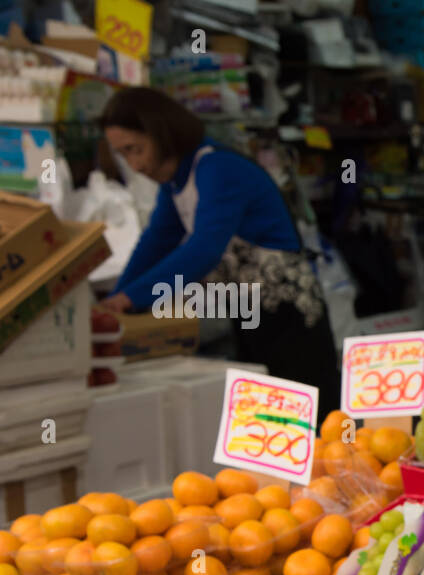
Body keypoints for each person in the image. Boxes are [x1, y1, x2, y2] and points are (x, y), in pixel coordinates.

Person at [98, 87, 340, 415]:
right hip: (248, 312)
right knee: (264, 419)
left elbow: (204, 249)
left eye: (135, 149)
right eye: (123, 155)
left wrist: (131, 299)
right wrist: (119, 297)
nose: (134, 164)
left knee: (307, 414)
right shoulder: (176, 183)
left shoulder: (216, 168)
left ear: (161, 134)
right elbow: (156, 241)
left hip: (289, 314)